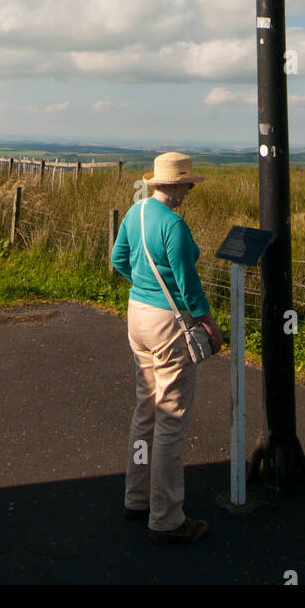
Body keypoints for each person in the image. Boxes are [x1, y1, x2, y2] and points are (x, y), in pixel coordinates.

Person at [110, 151, 224, 543]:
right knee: (172, 418)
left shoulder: (134, 212)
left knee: (146, 408)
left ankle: (136, 498)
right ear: (173, 185)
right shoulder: (174, 225)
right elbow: (187, 281)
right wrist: (208, 321)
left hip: (137, 314)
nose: (189, 189)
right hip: (169, 323)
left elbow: (118, 259)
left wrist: (143, 287)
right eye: (187, 183)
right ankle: (167, 518)